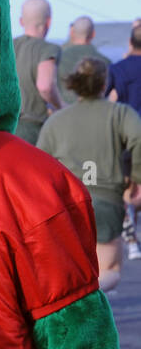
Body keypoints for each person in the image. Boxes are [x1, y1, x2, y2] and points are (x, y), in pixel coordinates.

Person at [38, 57, 141, 293]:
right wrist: (136, 179)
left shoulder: (56, 121)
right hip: (106, 203)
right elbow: (138, 137)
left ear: (74, 83)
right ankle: (83, 296)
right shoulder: (120, 114)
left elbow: (39, 163)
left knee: (69, 271)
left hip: (65, 205)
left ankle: (75, 299)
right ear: (105, 83)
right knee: (109, 271)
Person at [106, 22, 141, 258]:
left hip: (126, 138)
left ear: (130, 43)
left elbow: (110, 101)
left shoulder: (117, 69)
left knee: (128, 188)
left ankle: (131, 241)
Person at [12, 0, 60, 143]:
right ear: (49, 22)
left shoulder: (5, 46)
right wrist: (62, 106)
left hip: (4, 130)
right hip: (32, 129)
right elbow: (45, 87)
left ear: (21, 21)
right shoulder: (48, 49)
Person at [56, 16, 105, 107]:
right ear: (93, 34)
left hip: (64, 112)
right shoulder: (105, 61)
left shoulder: (58, 58)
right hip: (96, 114)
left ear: (72, 33)